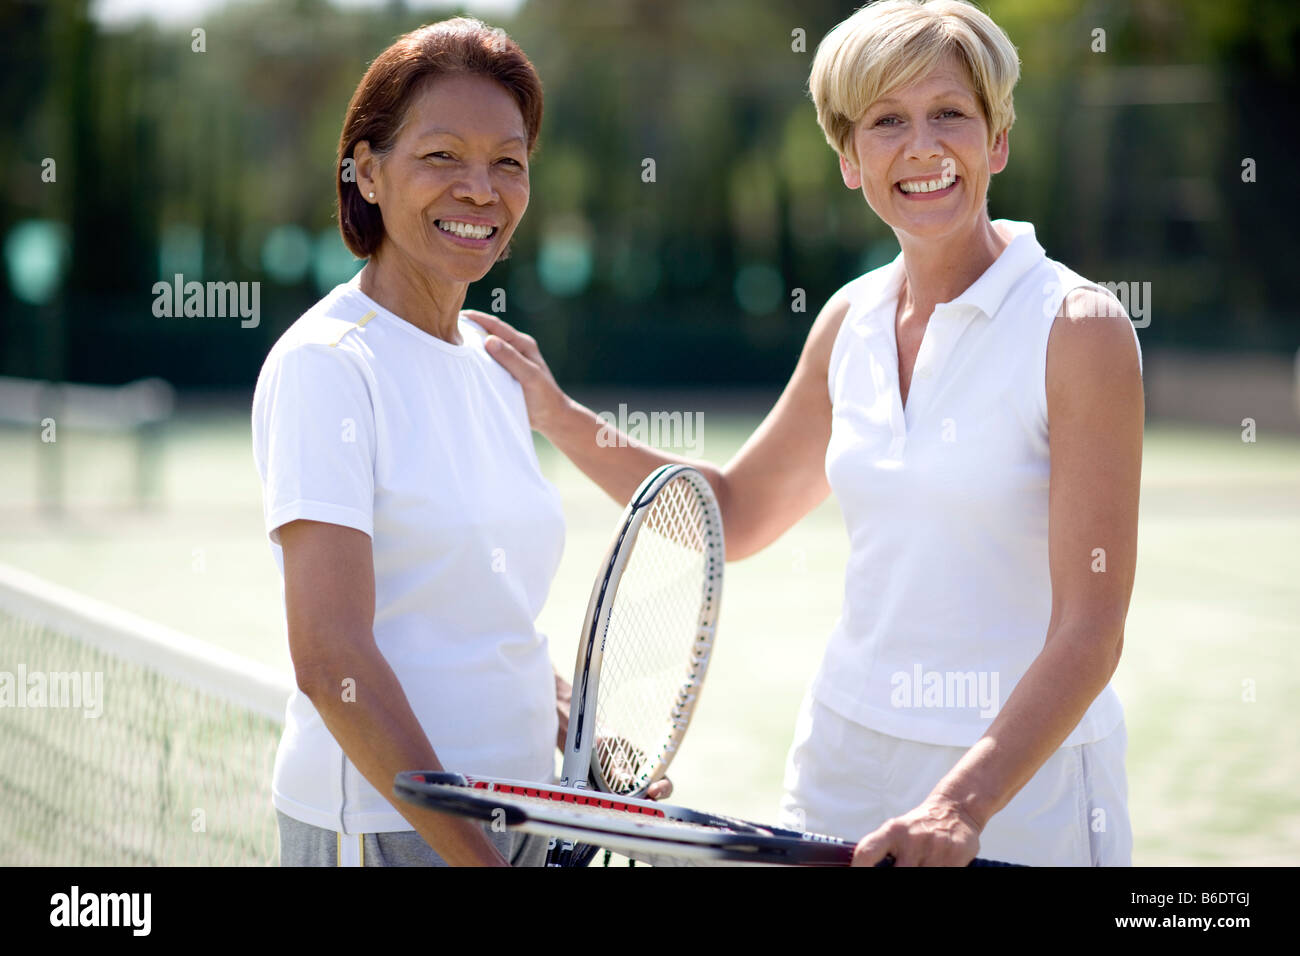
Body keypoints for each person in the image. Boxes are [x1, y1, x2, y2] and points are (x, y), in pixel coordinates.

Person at [475, 0, 1143, 866]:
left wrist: (958, 807)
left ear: (998, 141)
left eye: (951, 114)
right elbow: (738, 512)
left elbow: (1091, 627)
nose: (924, 145)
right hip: (843, 765)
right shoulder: (850, 319)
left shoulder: (1077, 327)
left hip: (1025, 790)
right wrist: (557, 414)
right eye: (887, 121)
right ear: (850, 160)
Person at [251, 17, 665, 868]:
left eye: (508, 161)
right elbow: (332, 661)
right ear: (366, 171)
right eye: (442, 156)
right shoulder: (328, 366)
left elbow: (479, 612)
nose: (482, 188)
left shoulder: (495, 366)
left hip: (520, 815)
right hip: (384, 830)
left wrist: (570, 730)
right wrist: (477, 857)